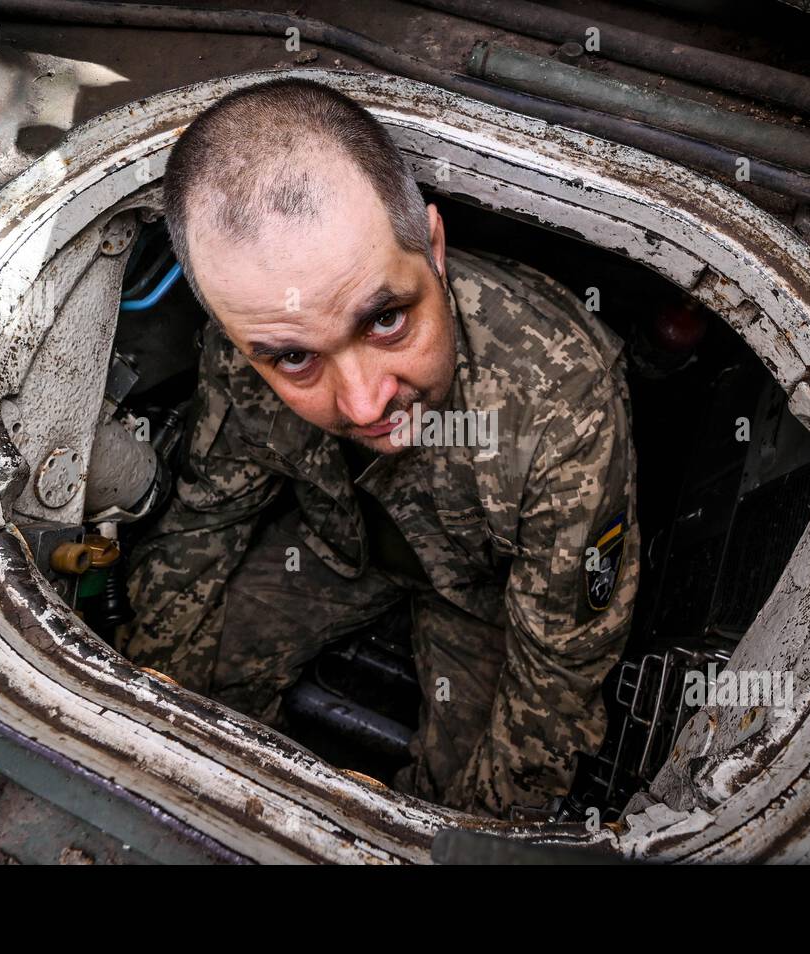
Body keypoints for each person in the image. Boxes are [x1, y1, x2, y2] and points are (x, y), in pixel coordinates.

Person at [118, 77, 639, 820]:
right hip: (332, 551)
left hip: (484, 600)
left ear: (432, 247)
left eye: (387, 319)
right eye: (295, 360)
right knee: (180, 689)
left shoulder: (562, 395)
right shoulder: (244, 350)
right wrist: (150, 698)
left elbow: (560, 667)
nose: (365, 404)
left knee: (466, 809)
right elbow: (206, 519)